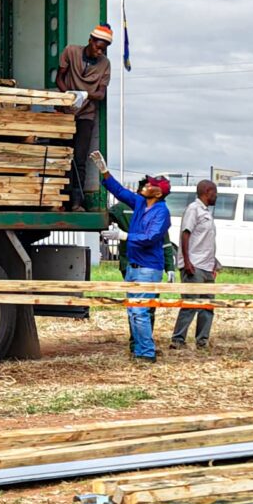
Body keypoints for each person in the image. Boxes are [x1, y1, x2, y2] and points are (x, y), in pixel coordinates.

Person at [93, 153, 173, 362]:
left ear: (158, 193)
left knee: (140, 311)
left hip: (148, 268)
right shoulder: (140, 203)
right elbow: (120, 191)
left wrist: (125, 236)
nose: (146, 186)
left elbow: (152, 237)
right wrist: (105, 172)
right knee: (133, 311)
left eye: (151, 185)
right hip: (134, 266)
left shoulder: (161, 212)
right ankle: (139, 351)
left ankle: (146, 353)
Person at [55, 25, 114, 207]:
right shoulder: (71, 51)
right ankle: (59, 198)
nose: (99, 52)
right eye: (98, 47)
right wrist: (69, 96)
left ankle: (76, 201)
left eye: (103, 49)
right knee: (62, 155)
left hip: (86, 114)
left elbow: (101, 94)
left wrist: (85, 95)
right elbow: (59, 78)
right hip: (65, 112)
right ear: (90, 41)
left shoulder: (105, 64)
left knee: (80, 159)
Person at [174, 177, 221, 349]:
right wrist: (186, 261)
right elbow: (185, 234)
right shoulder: (194, 209)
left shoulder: (206, 212)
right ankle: (178, 339)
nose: (216, 196)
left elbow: (206, 241)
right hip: (194, 265)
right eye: (215, 192)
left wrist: (214, 263)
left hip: (207, 266)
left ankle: (202, 340)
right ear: (207, 192)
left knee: (207, 305)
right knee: (190, 303)